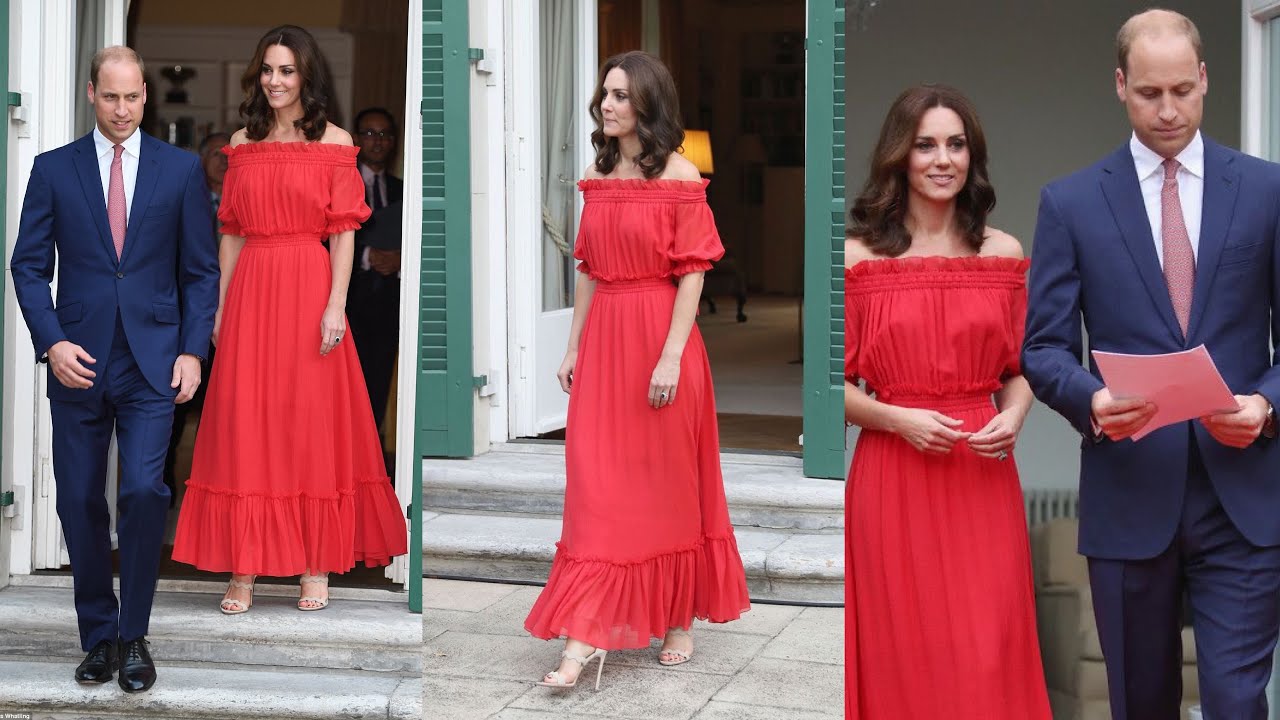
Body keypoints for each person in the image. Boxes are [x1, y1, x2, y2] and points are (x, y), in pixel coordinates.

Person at [1023, 10, 1280, 719]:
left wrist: (1266, 404)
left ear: (1204, 79)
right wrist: (1091, 400)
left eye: (1179, 90)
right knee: (1142, 704)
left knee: (1235, 701)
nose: (1167, 110)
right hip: (1129, 491)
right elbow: (1041, 349)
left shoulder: (1267, 190)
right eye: (1147, 94)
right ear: (1119, 87)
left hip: (1246, 498)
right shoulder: (1070, 204)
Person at [522, 50, 750, 689]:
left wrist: (671, 356)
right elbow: (590, 269)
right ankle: (584, 636)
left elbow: (693, 273)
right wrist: (572, 348)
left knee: (670, 483)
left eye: (620, 95)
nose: (607, 104)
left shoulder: (679, 174)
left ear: (647, 103)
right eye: (605, 94)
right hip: (605, 341)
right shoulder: (597, 172)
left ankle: (679, 617)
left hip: (660, 339)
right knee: (596, 487)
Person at [170, 25, 408, 614]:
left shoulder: (335, 141)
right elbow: (230, 234)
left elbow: (345, 234)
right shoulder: (242, 145)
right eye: (269, 70)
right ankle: (245, 566)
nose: (275, 81)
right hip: (252, 292)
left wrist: (334, 304)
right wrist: (220, 309)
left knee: (308, 426)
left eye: (287, 71)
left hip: (308, 288)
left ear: (306, 77)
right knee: (249, 425)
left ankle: (314, 562)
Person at [11, 46, 219, 692]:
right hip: (78, 360)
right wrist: (51, 342)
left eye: (133, 98)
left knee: (141, 492)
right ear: (91, 94)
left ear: (145, 99)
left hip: (153, 363)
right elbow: (26, 265)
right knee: (78, 500)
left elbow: (200, 271)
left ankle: (134, 637)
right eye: (111, 97)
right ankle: (97, 637)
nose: (122, 109)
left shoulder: (180, 171)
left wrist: (192, 351)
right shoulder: (53, 170)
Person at [843, 84, 1050, 719]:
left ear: (973, 156)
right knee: (902, 651)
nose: (942, 159)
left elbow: (1025, 367)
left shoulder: (1004, 253)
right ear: (898, 157)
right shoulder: (855, 259)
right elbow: (829, 384)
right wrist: (893, 418)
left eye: (956, 144)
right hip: (892, 472)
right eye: (925, 144)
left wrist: (1013, 414)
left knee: (985, 653)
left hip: (981, 475)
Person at [163, 130, 232, 501]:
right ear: (201, 160)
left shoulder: (246, 199)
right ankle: (167, 478)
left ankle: (215, 487)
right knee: (178, 401)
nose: (224, 160)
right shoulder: (184, 195)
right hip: (186, 314)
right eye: (216, 154)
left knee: (223, 408)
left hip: (236, 315)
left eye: (229, 155)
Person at [346, 107, 403, 440]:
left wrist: (400, 259)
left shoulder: (403, 189)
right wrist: (368, 256)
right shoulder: (341, 182)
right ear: (356, 139)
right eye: (369, 133)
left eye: (384, 134)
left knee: (378, 387)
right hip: (347, 306)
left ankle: (371, 456)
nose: (377, 142)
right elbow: (323, 242)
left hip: (390, 308)